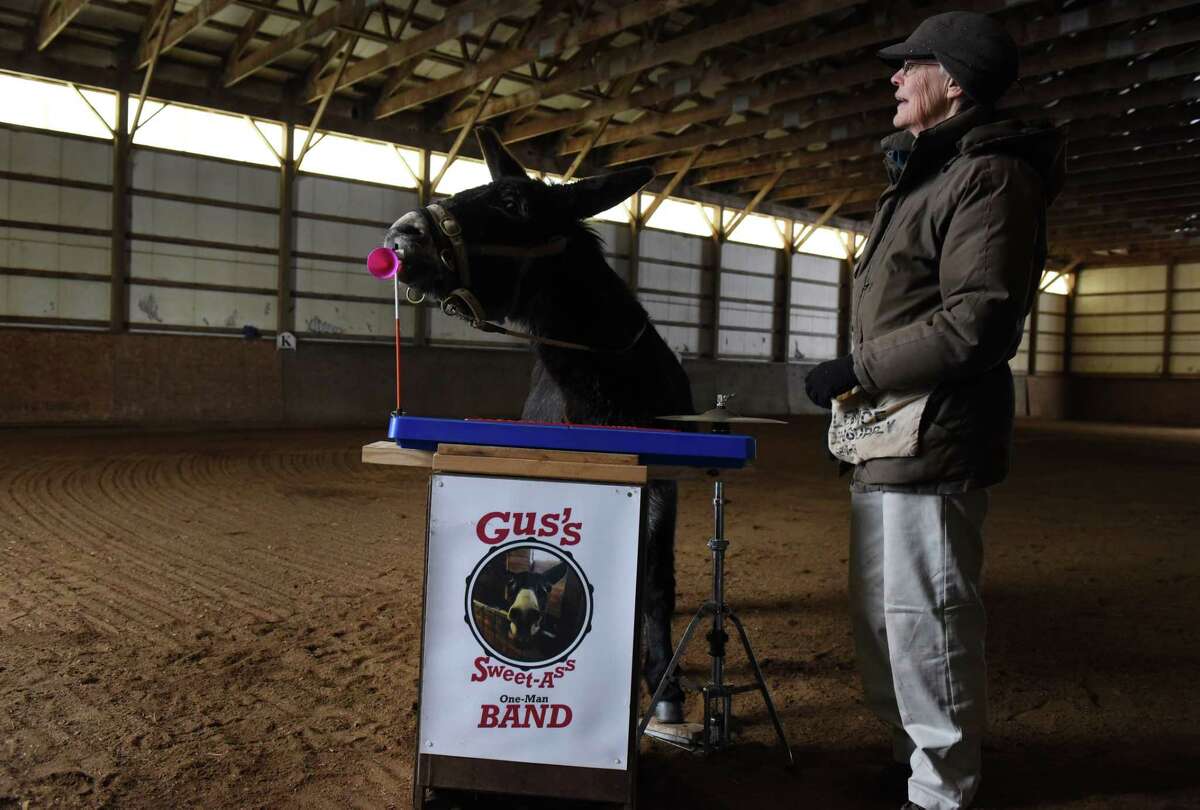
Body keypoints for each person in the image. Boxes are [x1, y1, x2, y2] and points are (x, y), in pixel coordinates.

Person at [803, 11, 1063, 810]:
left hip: (936, 434)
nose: (892, 77)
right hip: (889, 432)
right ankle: (908, 758)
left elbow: (978, 320)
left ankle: (942, 790)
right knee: (881, 617)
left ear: (951, 81)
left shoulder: (988, 177)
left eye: (907, 64)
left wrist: (860, 366)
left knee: (929, 620)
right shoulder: (926, 175)